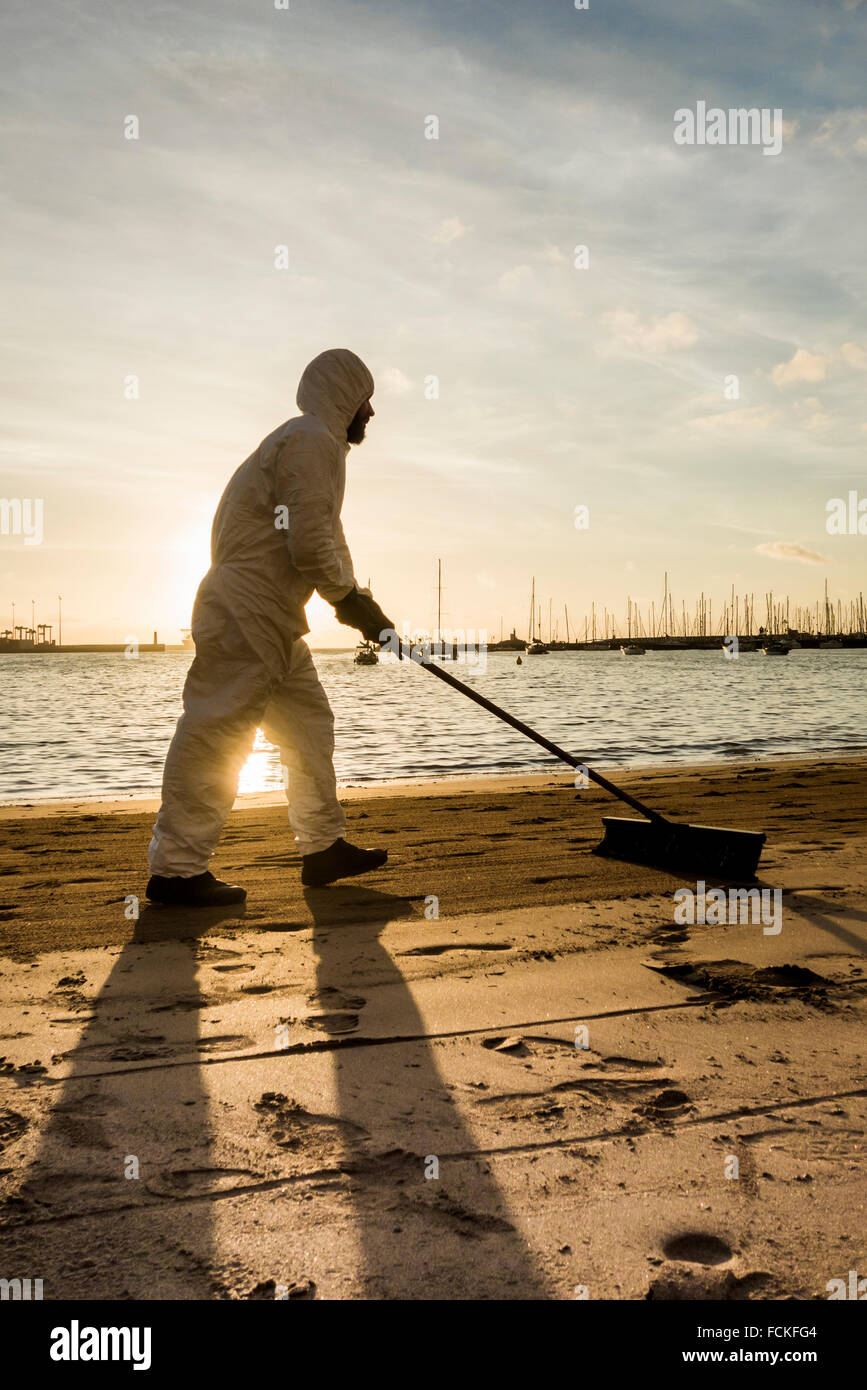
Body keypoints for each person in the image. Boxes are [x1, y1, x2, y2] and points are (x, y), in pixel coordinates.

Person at [146, 348, 395, 907]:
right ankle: (177, 871)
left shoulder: (318, 445)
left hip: (274, 617)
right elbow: (308, 542)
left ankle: (324, 847)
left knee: (308, 725)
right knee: (217, 730)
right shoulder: (309, 440)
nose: (372, 414)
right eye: (366, 401)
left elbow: (327, 536)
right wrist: (346, 599)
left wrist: (361, 603)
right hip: (246, 610)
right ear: (344, 398)